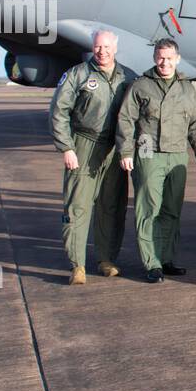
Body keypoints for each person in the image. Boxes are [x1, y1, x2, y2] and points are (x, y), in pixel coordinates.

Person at [115, 38, 196, 282]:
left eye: (169, 58)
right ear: (154, 58)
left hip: (177, 154)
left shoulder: (187, 88)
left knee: (171, 210)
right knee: (149, 210)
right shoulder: (141, 86)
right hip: (148, 153)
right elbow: (125, 120)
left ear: (177, 59)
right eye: (160, 57)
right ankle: (151, 263)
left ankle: (166, 259)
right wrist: (126, 152)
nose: (164, 62)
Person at [49, 28, 137, 284]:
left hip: (114, 148)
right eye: (98, 47)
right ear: (93, 47)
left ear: (115, 48)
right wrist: (66, 147)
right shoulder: (77, 75)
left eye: (107, 47)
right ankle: (78, 265)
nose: (102, 51)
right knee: (78, 205)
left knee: (112, 206)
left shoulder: (127, 77)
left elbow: (135, 114)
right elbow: (59, 111)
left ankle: (107, 259)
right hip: (84, 144)